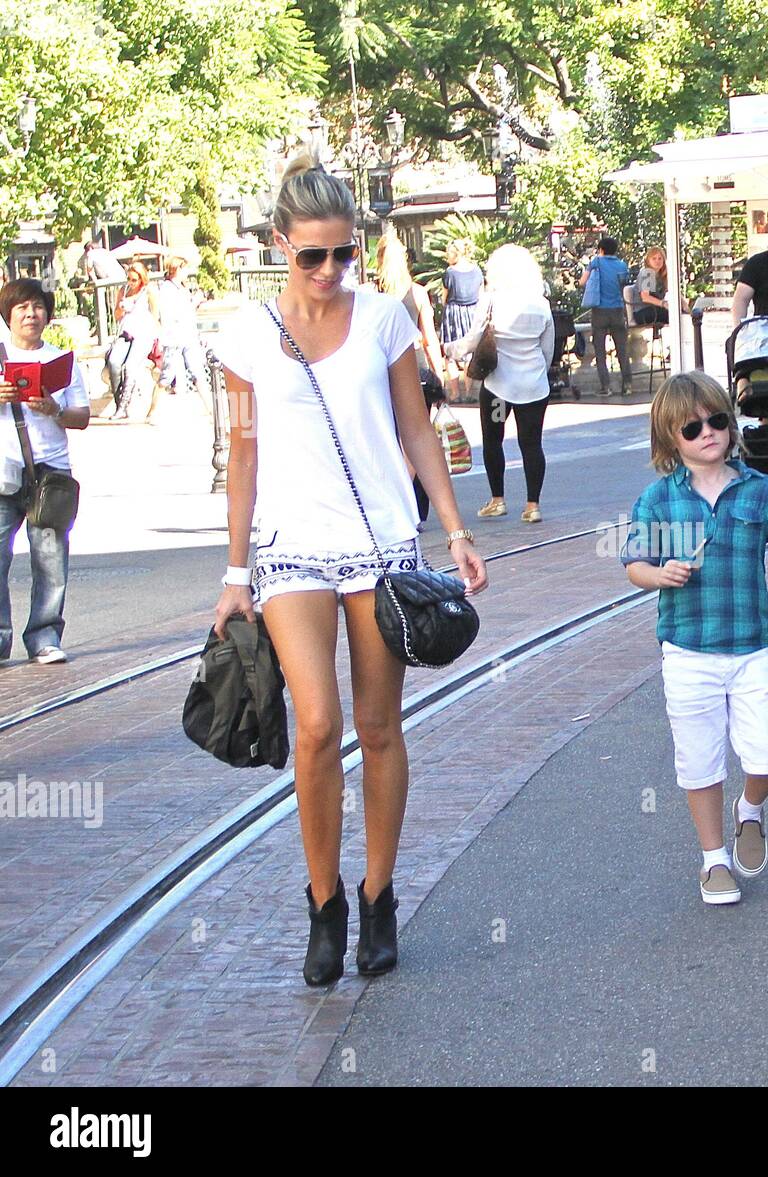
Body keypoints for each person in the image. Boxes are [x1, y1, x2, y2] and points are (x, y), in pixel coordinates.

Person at [211, 151, 488, 987]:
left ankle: (379, 897)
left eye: (344, 254)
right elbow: (244, 452)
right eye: (312, 255)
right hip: (291, 545)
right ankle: (323, 904)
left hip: (380, 549)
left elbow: (415, 429)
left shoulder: (383, 321)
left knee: (379, 727)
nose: (331, 271)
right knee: (317, 725)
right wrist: (233, 570)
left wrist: (453, 527)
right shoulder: (246, 335)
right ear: (278, 243)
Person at [621, 372, 768, 905]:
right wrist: (657, 572)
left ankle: (750, 808)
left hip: (750, 645)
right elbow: (634, 564)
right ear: (671, 437)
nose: (708, 432)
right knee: (699, 757)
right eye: (692, 428)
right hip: (686, 648)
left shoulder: (760, 491)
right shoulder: (658, 500)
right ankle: (713, 859)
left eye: (718, 420)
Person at [0, 278, 91, 666]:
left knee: (51, 558)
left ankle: (45, 636)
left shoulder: (61, 361)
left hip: (50, 471)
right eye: (21, 308)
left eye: (37, 307)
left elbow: (83, 417)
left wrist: (54, 409)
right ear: (8, 315)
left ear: (47, 315)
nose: (30, 314)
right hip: (4, 469)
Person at [447, 245, 554, 524]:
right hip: (534, 387)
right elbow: (548, 350)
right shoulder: (541, 304)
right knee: (532, 444)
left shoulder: (491, 300)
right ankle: (533, 505)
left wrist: (451, 350)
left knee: (493, 440)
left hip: (498, 389)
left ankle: (498, 499)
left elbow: (472, 339)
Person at [372, 232, 447, 524]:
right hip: (415, 371)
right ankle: (407, 502)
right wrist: (440, 376)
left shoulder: (369, 292)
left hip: (381, 372)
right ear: (404, 259)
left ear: (378, 259)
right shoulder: (416, 292)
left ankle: (393, 501)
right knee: (414, 436)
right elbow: (429, 339)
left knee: (387, 437)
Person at [579, 236, 632, 396]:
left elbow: (582, 281)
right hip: (617, 310)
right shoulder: (622, 265)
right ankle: (628, 385)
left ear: (601, 250)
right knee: (622, 350)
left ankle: (605, 387)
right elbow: (624, 286)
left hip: (599, 311)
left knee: (600, 351)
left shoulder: (596, 262)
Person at [108, 262, 160, 420]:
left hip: (143, 334)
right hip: (126, 332)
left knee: (130, 366)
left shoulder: (148, 291)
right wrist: (120, 309)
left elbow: (155, 314)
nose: (131, 282)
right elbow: (117, 316)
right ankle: (119, 405)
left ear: (142, 279)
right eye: (129, 279)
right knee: (113, 362)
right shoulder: (123, 291)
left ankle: (124, 406)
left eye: (134, 280)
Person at [437, 239, 483, 401]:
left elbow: (444, 297)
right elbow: (481, 295)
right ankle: (470, 393)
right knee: (470, 353)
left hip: (453, 313)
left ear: (455, 253)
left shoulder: (450, 272)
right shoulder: (477, 271)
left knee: (450, 354)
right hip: (472, 313)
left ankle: (456, 394)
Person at [156, 257, 206, 397]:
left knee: (199, 375)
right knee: (166, 378)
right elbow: (176, 313)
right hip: (174, 338)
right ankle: (151, 412)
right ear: (177, 269)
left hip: (187, 336)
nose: (187, 272)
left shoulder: (181, 288)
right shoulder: (167, 289)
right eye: (185, 269)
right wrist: (195, 301)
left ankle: (211, 412)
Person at [630, 246, 670, 326]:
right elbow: (645, 297)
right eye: (654, 258)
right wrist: (663, 304)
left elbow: (673, 290)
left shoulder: (661, 276)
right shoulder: (647, 273)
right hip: (643, 311)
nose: (657, 261)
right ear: (648, 261)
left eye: (660, 258)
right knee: (673, 315)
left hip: (655, 309)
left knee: (679, 312)